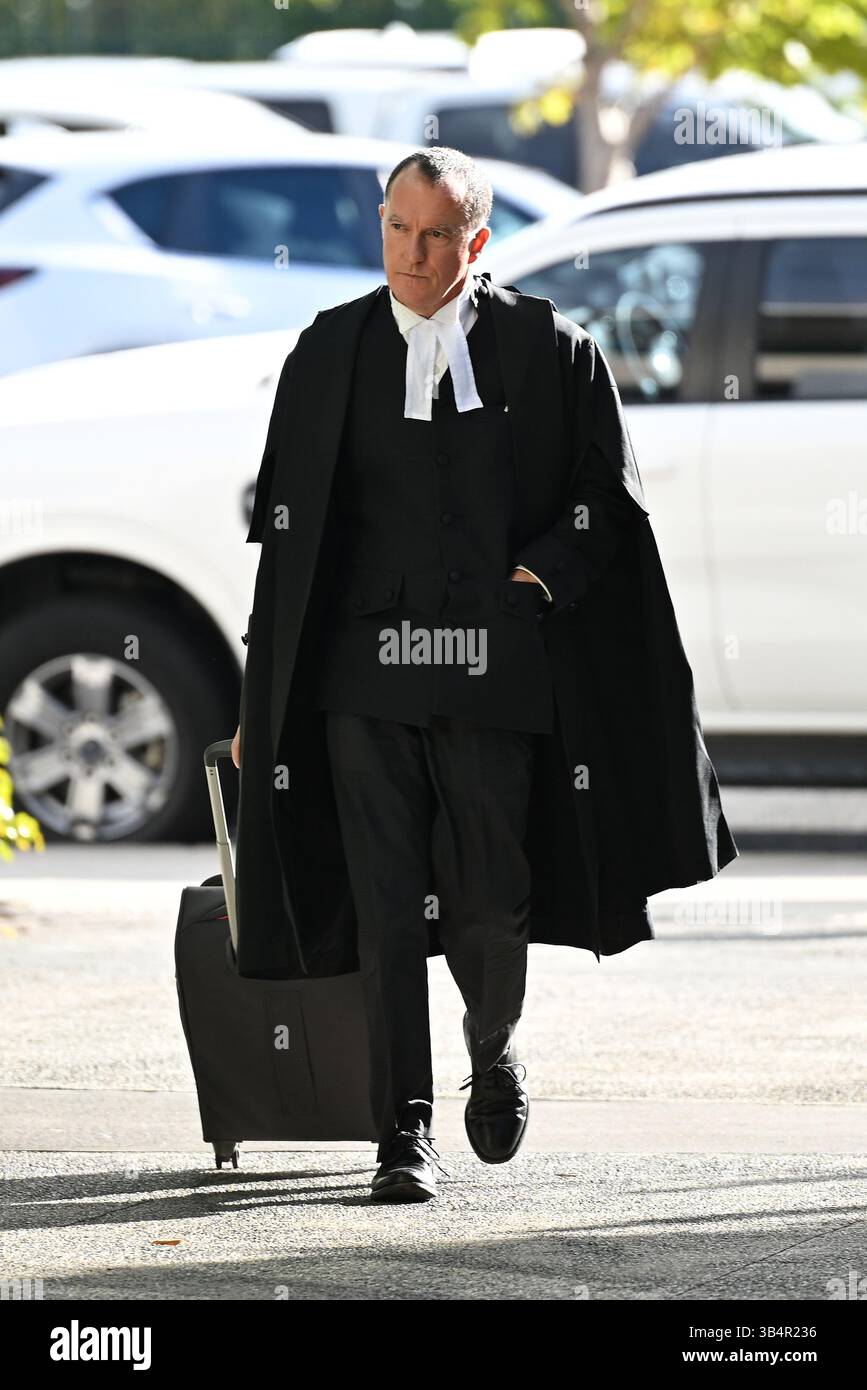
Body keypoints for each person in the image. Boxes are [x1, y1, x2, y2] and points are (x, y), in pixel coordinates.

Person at [231, 147, 737, 1205]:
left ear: (478, 240)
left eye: (436, 236)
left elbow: (608, 497)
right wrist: (256, 701)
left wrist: (539, 577)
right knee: (382, 906)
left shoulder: (549, 348)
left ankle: (493, 1047)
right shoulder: (327, 351)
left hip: (493, 667)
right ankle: (401, 1132)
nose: (412, 255)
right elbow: (286, 538)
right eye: (397, 229)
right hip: (362, 674)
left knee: (486, 897)